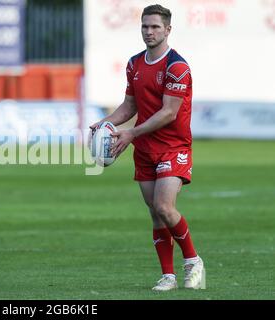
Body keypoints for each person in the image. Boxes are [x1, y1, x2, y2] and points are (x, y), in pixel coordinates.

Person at [90, 4, 205, 291]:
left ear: (168, 29)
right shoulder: (134, 64)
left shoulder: (176, 67)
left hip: (173, 146)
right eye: (145, 26)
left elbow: (168, 112)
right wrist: (104, 124)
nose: (149, 31)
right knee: (155, 212)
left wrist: (131, 133)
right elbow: (130, 105)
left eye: (155, 26)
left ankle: (193, 261)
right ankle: (168, 276)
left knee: (165, 207)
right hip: (145, 148)